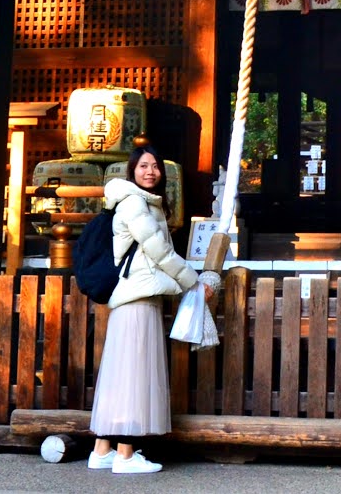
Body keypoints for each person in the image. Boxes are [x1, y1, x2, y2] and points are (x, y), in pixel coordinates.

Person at [89, 144, 207, 475]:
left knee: (119, 375)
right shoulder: (134, 203)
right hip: (138, 299)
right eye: (143, 166)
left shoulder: (139, 202)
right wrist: (191, 280)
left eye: (155, 166)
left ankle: (102, 450)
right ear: (132, 171)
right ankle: (126, 454)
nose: (150, 171)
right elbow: (157, 249)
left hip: (133, 298)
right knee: (133, 375)